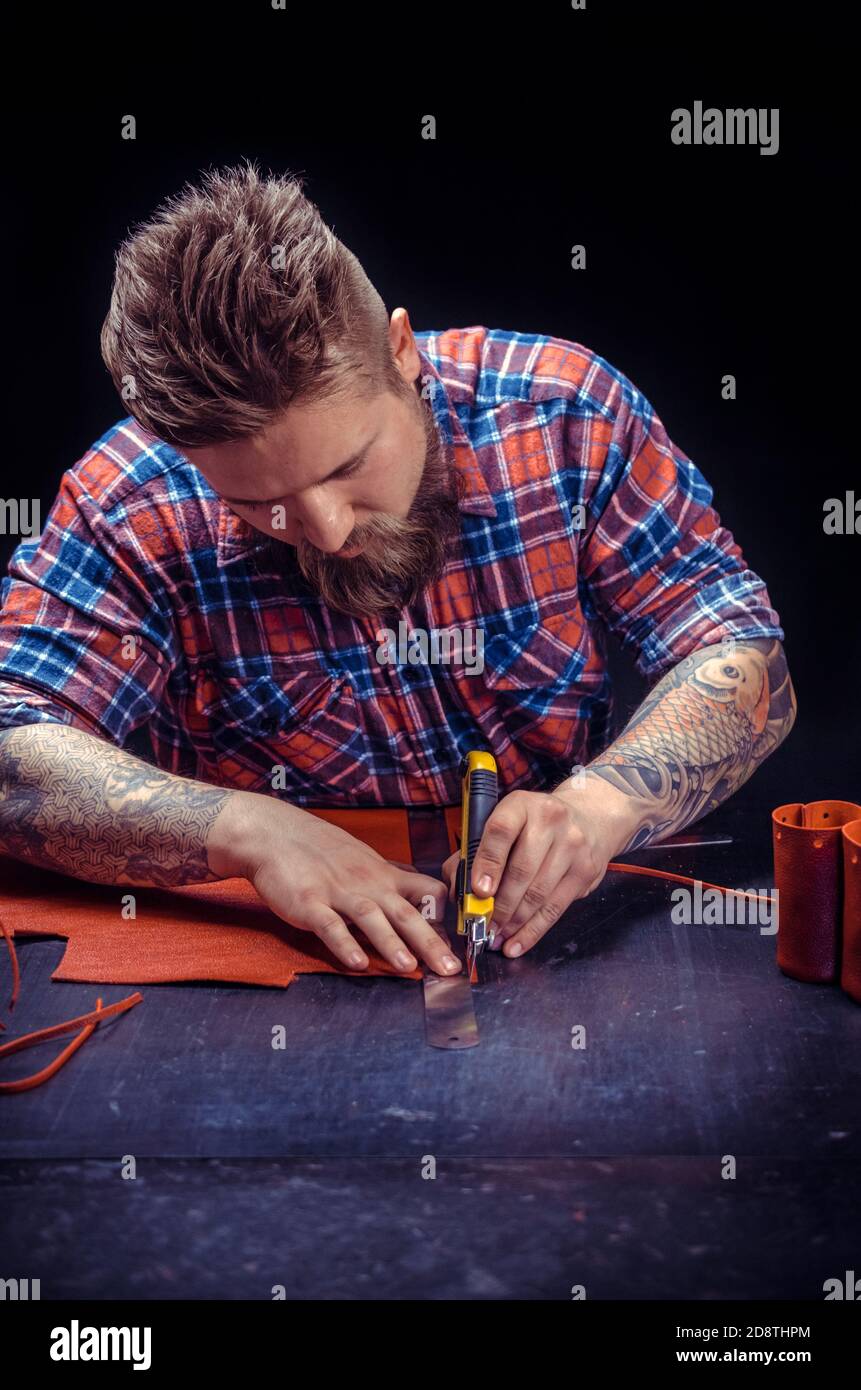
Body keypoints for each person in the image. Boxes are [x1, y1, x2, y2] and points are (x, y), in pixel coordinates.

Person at [0, 163, 796, 976]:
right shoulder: (133, 501)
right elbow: (8, 741)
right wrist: (247, 831)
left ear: (401, 351)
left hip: (555, 954)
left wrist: (602, 805)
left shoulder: (564, 418)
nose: (327, 529)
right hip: (263, 969)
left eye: (349, 466)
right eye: (258, 502)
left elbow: (739, 650)